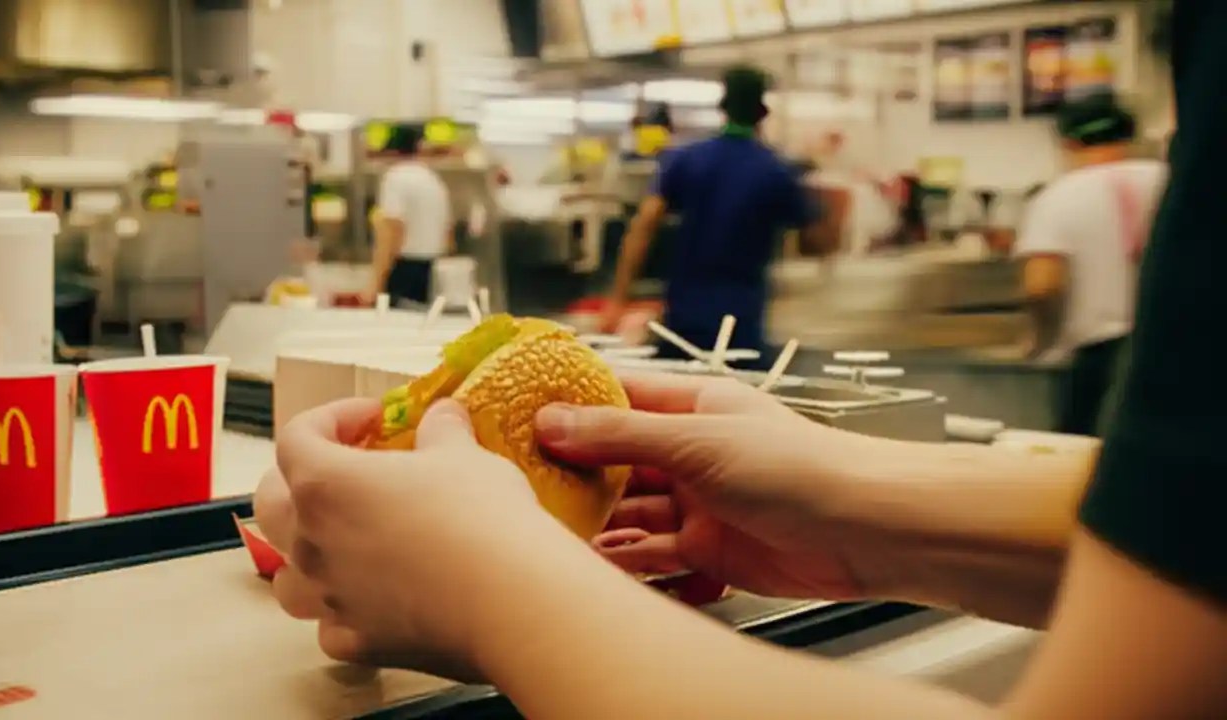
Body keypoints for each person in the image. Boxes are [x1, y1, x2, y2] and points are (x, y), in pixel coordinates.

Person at [257, 3, 1226, 715]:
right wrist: (853, 498)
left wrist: (487, 588)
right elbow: (1190, 536)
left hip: (691, 308)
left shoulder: (685, 166)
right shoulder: (774, 172)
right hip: (741, 317)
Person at [601, 65, 822, 368]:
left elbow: (643, 227)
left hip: (684, 311)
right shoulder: (776, 170)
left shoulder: (686, 160)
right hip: (742, 317)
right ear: (763, 112)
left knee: (675, 400)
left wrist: (618, 297)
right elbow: (816, 239)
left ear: (722, 107)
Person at [1015, 96, 1167, 435]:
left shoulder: (1058, 197)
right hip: (1182, 344)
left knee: (1090, 459)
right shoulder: (1169, 181)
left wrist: (1041, 341)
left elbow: (1043, 285)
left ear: (1067, 143)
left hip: (1104, 361)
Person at [366, 124, 452, 308]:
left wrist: (376, 283)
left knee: (396, 328)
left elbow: (393, 230)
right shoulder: (432, 179)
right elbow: (448, 233)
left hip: (403, 269)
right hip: (429, 267)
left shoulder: (395, 177)